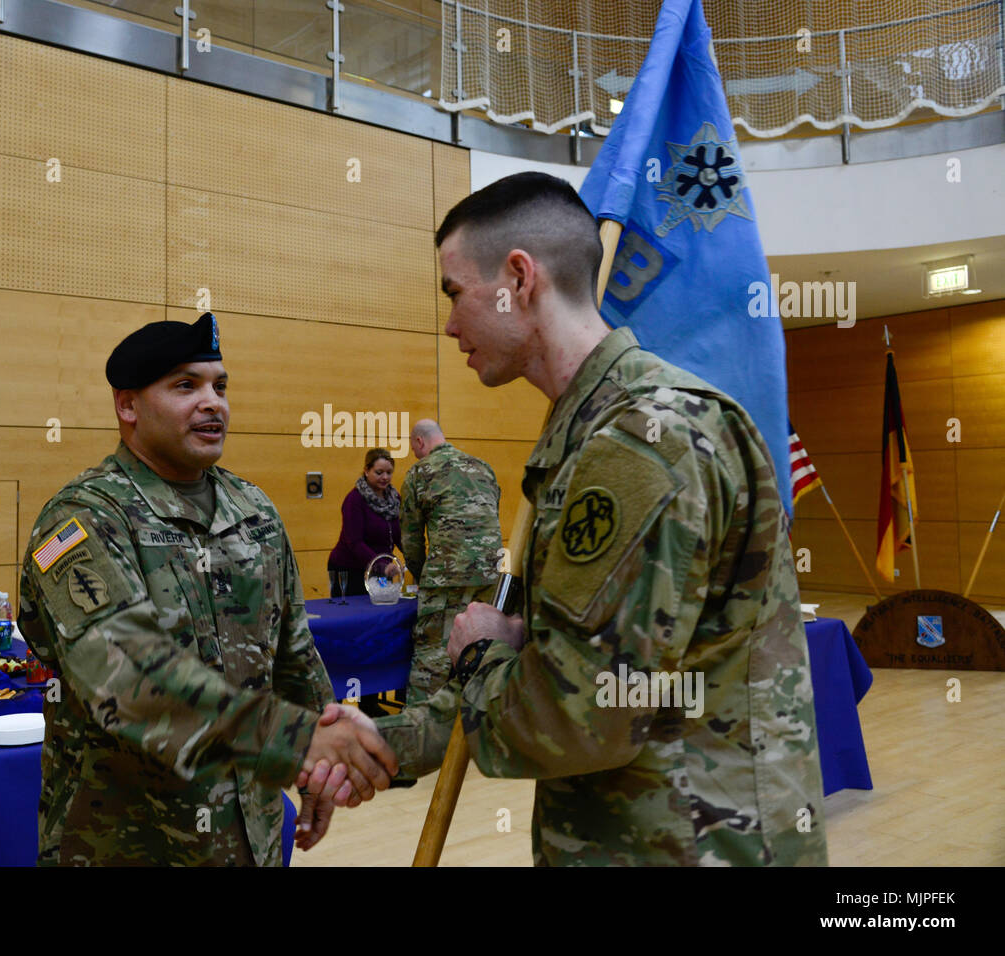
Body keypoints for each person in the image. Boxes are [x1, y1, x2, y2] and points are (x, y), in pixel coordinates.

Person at [309, 171, 828, 866]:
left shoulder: (642, 441)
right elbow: (569, 667)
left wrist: (478, 650)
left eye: (455, 292)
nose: (449, 323)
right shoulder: (588, 435)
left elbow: (588, 714)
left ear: (518, 278)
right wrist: (386, 742)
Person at [16, 312, 398, 865]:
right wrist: (292, 740)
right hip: (128, 844)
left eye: (220, 387)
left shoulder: (254, 510)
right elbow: (128, 678)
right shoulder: (83, 520)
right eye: (185, 386)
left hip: (252, 838)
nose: (213, 402)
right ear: (128, 406)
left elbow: (293, 653)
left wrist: (321, 761)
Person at [399, 419, 501, 705]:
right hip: (490, 576)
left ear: (419, 442)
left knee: (431, 662)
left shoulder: (419, 472)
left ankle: (420, 738)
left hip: (446, 578)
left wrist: (422, 577)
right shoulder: (484, 468)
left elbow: (411, 539)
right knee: (481, 653)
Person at [327, 448, 402, 598]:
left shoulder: (395, 499)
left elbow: (400, 535)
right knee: (354, 615)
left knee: (381, 609)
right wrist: (381, 565)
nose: (385, 477)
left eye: (389, 473)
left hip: (381, 568)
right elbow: (354, 542)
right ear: (367, 471)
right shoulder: (354, 500)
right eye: (379, 472)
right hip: (351, 568)